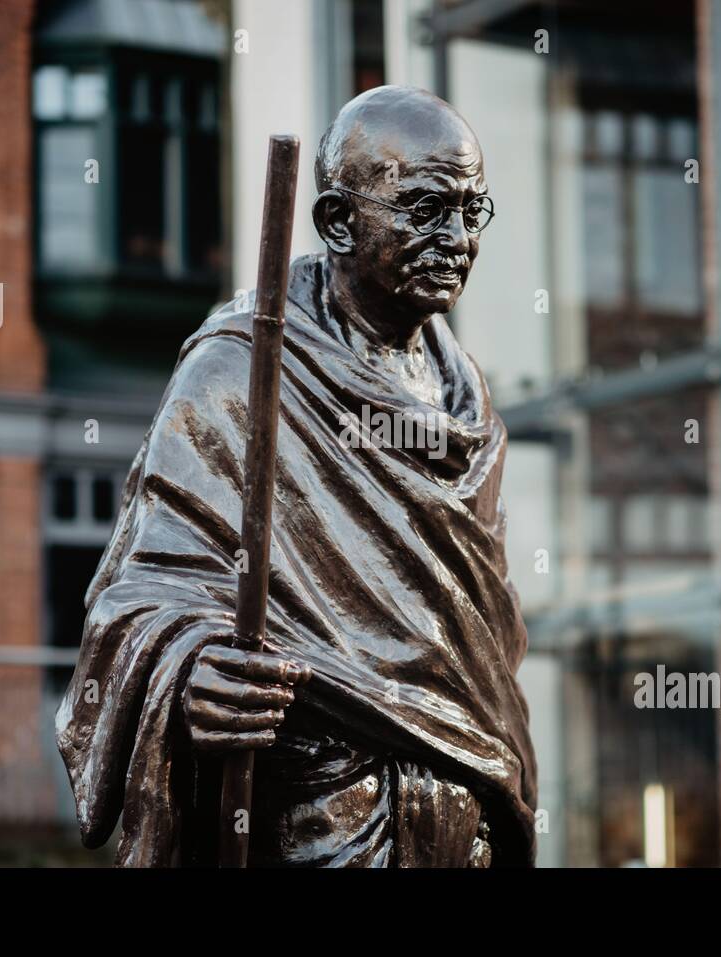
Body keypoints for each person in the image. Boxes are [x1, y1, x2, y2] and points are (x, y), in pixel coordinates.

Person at [56, 85, 537, 867]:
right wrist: (193, 670)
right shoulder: (242, 370)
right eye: (423, 209)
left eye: (470, 209)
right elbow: (140, 595)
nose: (455, 237)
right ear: (337, 223)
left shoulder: (468, 399)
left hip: (461, 824)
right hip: (317, 817)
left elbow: (487, 639)